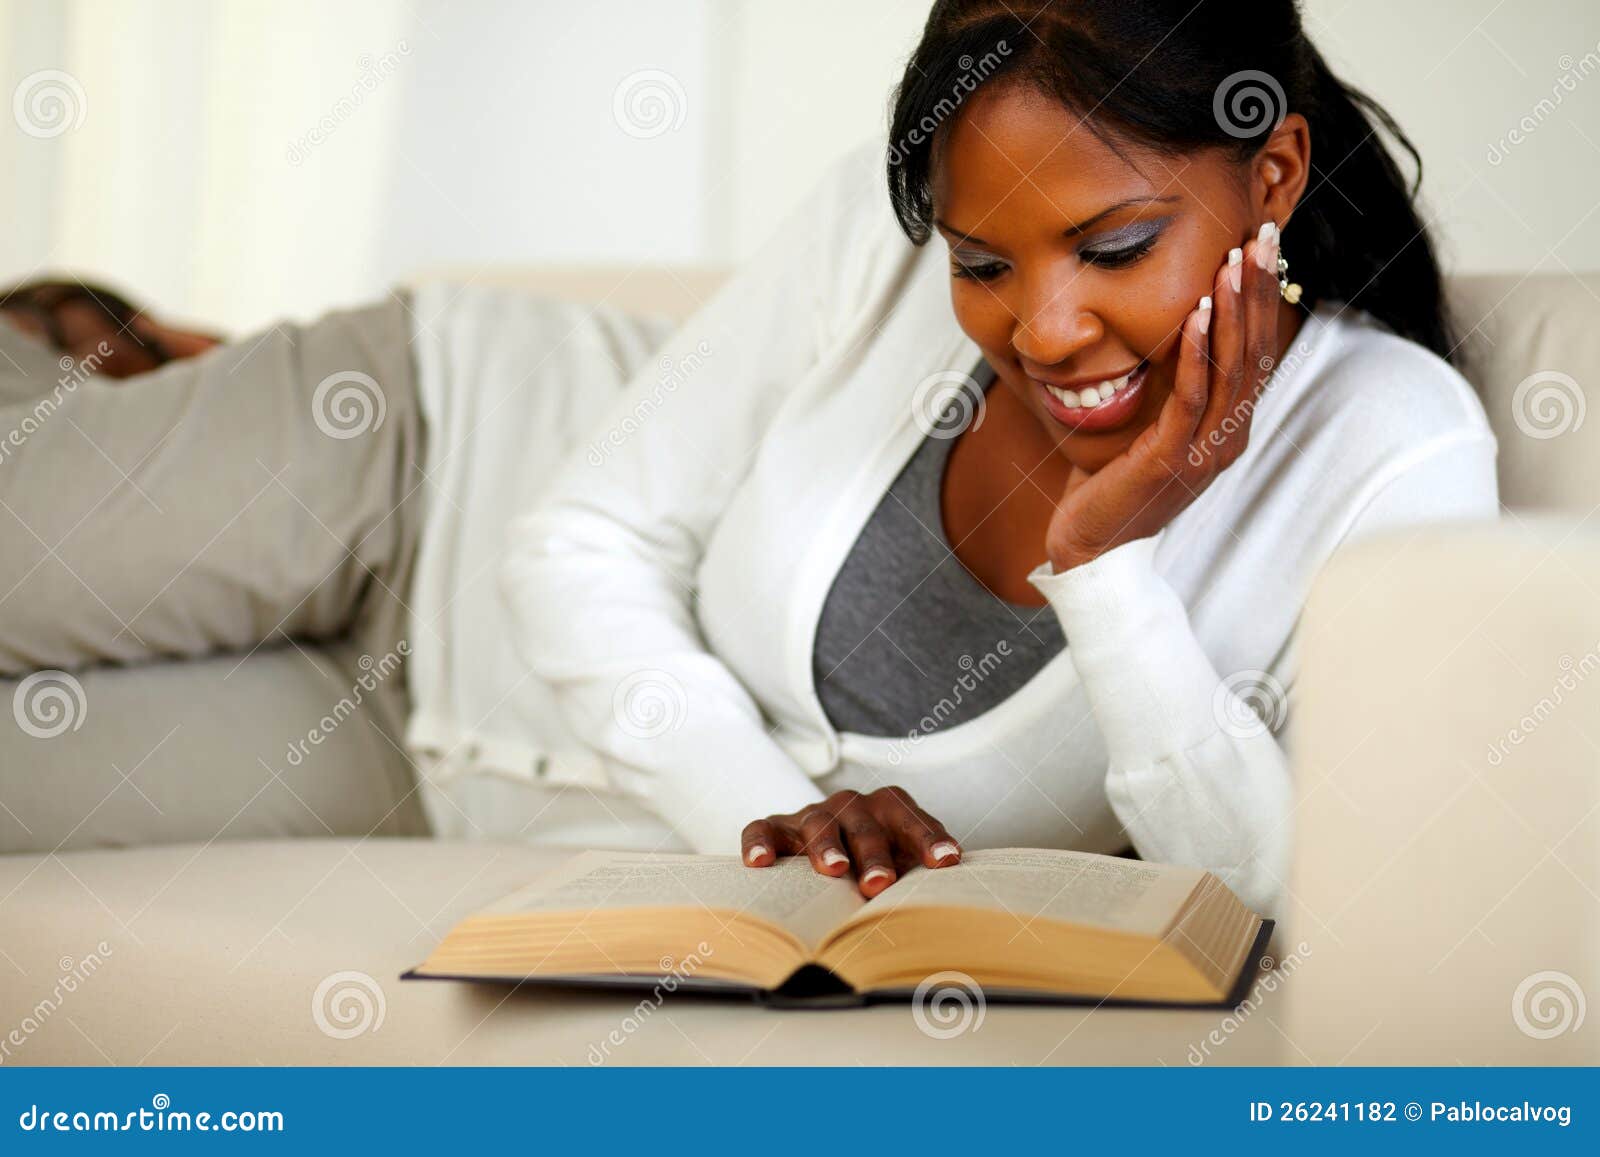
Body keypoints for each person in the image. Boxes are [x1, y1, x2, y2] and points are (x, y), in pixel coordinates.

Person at [0, 1, 1497, 918]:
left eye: (1117, 248)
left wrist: (1110, 568)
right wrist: (761, 807)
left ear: (1274, 173)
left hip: (418, 768)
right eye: (984, 261)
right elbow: (573, 535)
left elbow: (1287, 903)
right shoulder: (884, 224)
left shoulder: (1388, 448)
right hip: (415, 461)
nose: (1044, 327)